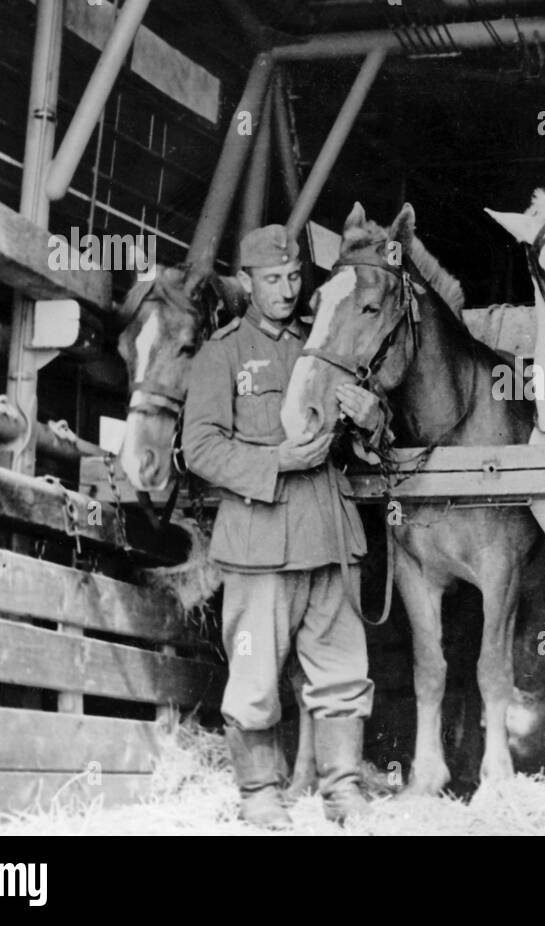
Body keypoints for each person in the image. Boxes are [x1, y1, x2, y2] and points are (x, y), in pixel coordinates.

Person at [182, 224, 386, 828]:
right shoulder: (221, 354)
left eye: (294, 276)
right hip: (259, 544)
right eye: (272, 279)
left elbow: (365, 434)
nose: (287, 289)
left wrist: (373, 416)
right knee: (253, 677)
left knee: (343, 673)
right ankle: (259, 795)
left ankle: (344, 790)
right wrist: (277, 462)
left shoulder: (319, 341)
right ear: (246, 282)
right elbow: (200, 448)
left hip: (328, 538)